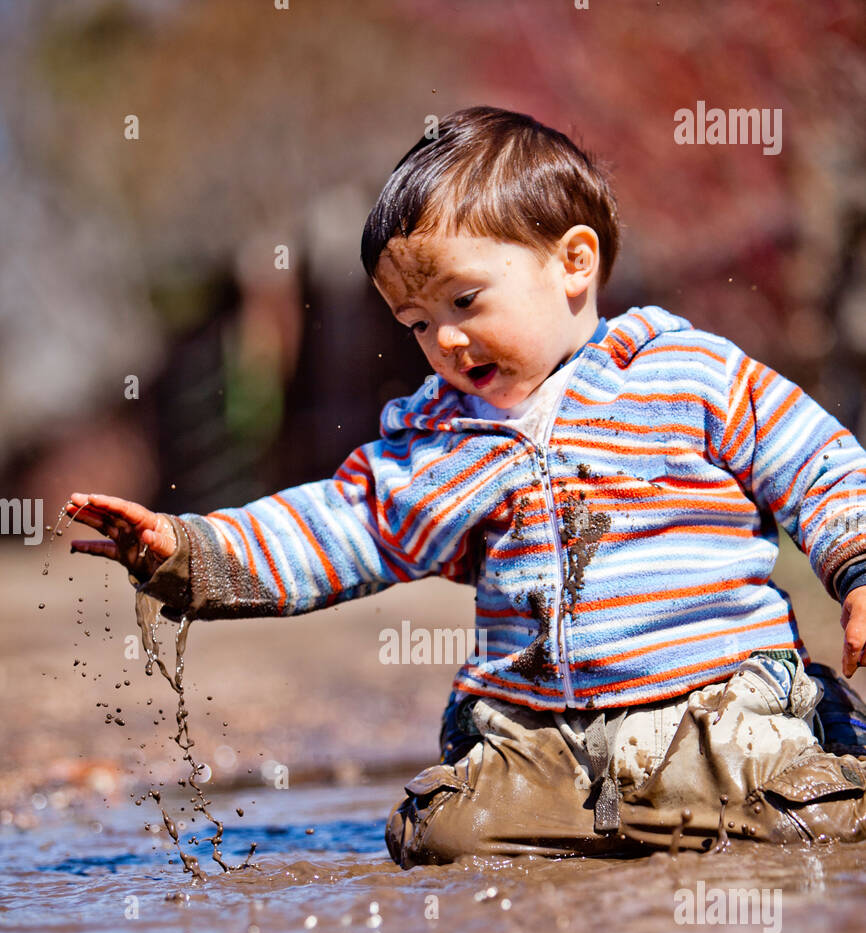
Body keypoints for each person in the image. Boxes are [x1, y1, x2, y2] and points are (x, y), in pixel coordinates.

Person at [68, 106, 866, 867]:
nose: (444, 339)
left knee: (808, 811)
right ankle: (610, 817)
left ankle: (796, 777)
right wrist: (192, 550)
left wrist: (857, 564)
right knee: (446, 832)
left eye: (464, 300)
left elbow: (820, 465)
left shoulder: (687, 375)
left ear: (573, 262)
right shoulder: (443, 438)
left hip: (713, 710)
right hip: (543, 734)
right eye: (415, 322)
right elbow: (340, 524)